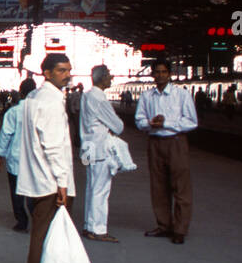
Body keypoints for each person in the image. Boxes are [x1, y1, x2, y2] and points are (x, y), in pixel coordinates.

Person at [15, 53, 77, 263]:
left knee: (41, 234)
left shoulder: (35, 98)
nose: (67, 74)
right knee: (47, 237)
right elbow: (53, 146)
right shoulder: (51, 102)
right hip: (51, 181)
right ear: (47, 73)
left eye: (68, 70)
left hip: (39, 179)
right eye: (61, 70)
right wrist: (62, 181)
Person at [135, 59, 197, 244]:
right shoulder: (147, 96)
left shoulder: (181, 95)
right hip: (155, 143)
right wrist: (149, 124)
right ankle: (164, 226)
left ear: (169, 74)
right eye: (157, 72)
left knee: (180, 187)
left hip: (176, 143)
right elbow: (139, 119)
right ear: (152, 74)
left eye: (163, 72)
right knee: (159, 187)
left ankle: (180, 229)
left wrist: (166, 124)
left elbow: (191, 121)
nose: (160, 75)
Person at [80, 65, 126, 243]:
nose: (111, 79)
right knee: (101, 190)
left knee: (91, 187)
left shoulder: (86, 95)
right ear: (102, 78)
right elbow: (119, 127)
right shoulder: (100, 99)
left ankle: (89, 226)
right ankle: (98, 230)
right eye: (109, 76)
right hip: (99, 149)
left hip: (87, 147)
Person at [0, 77, 37, 231]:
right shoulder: (41, 112)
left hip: (16, 159)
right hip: (36, 161)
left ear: (21, 93)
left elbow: (5, 135)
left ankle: (22, 222)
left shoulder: (13, 112)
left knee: (16, 191)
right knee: (33, 192)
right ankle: (37, 219)